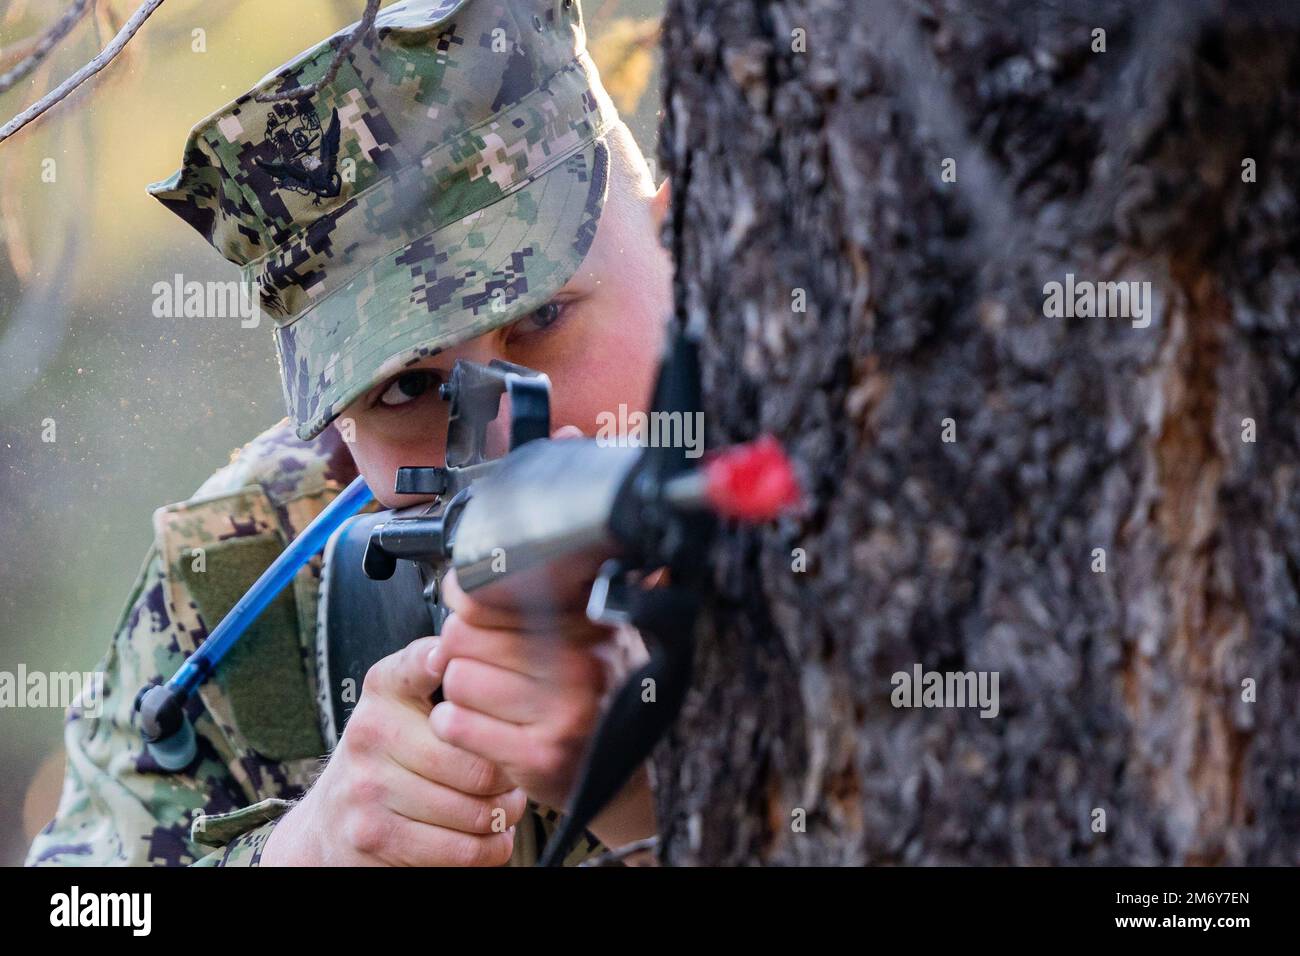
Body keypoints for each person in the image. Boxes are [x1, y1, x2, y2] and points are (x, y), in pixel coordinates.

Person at [27, 0, 672, 867]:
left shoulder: (853, 478)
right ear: (342, 427)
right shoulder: (251, 567)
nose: (505, 420)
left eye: (545, 316)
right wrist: (304, 853)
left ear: (687, 246)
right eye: (408, 385)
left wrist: (657, 800)